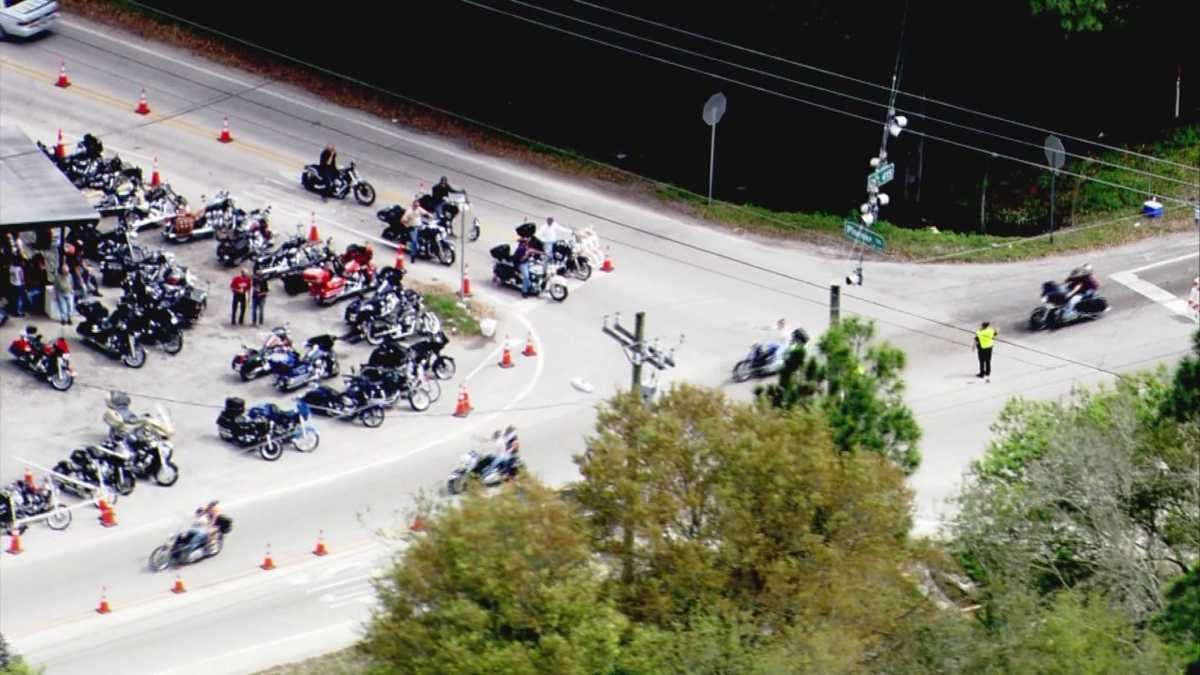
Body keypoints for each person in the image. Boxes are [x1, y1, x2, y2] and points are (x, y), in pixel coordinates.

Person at [401, 199, 430, 263]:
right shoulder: (409, 212)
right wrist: (407, 225)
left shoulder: (419, 209)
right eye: (416, 205)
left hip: (420, 226)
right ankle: (413, 256)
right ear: (413, 205)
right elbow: (403, 220)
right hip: (413, 228)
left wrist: (430, 215)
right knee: (414, 242)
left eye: (418, 205)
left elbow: (425, 212)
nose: (417, 207)